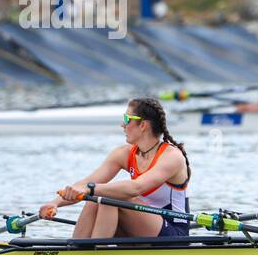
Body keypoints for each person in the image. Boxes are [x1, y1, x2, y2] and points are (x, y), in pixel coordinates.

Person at [38, 96, 191, 238]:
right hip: (142, 224)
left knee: (107, 196)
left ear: (143, 125)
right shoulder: (124, 154)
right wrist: (55, 203)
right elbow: (86, 183)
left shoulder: (172, 157)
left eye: (126, 119)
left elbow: (136, 188)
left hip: (173, 231)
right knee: (95, 198)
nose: (122, 124)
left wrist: (90, 189)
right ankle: (76, 251)